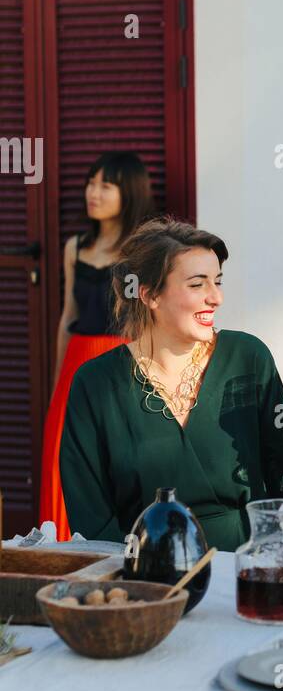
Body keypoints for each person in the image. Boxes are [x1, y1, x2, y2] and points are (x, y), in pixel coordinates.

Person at [60, 217, 283, 552]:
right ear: (149, 294)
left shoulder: (248, 356)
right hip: (148, 575)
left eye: (217, 282)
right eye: (197, 285)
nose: (216, 298)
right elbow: (90, 516)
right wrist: (138, 584)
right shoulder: (95, 384)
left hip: (246, 563)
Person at [39, 152, 153, 539]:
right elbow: (67, 316)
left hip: (122, 361)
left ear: (130, 191)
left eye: (106, 184)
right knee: (61, 458)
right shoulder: (75, 247)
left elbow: (148, 319)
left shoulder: (142, 250)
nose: (93, 192)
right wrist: (58, 382)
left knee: (115, 456)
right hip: (76, 361)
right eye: (91, 183)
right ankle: (60, 550)